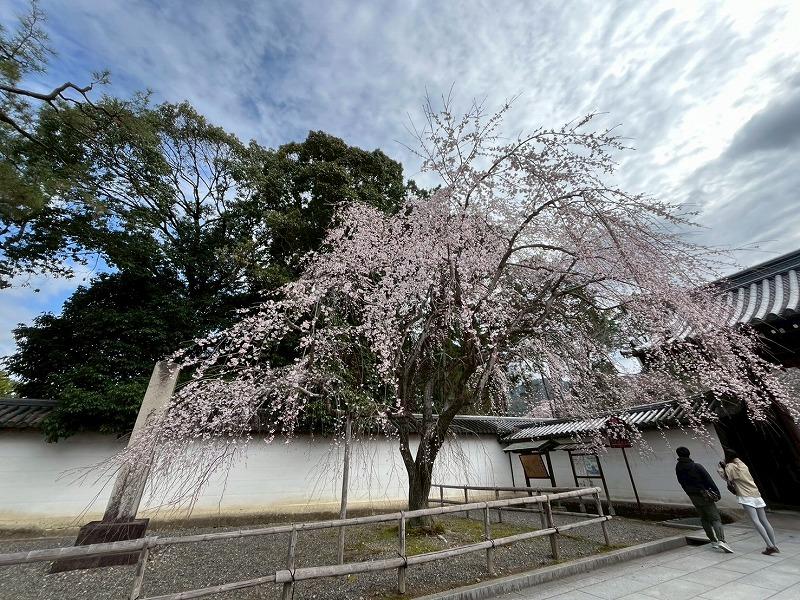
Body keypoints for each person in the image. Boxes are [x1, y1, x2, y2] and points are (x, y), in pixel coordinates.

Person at [718, 449, 779, 555]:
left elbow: (727, 478)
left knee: (756, 521)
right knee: (764, 520)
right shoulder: (742, 464)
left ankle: (770, 546)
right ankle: (773, 545)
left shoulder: (731, 466)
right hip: (756, 494)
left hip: (745, 495)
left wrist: (721, 468)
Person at [675, 447, 733, 552]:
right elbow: (708, 480)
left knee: (704, 518)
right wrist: (716, 492)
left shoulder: (678, 467)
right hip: (704, 495)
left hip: (693, 496)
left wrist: (688, 492)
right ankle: (722, 541)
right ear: (689, 453)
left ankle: (713, 541)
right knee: (715, 518)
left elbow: (681, 482)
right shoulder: (696, 466)